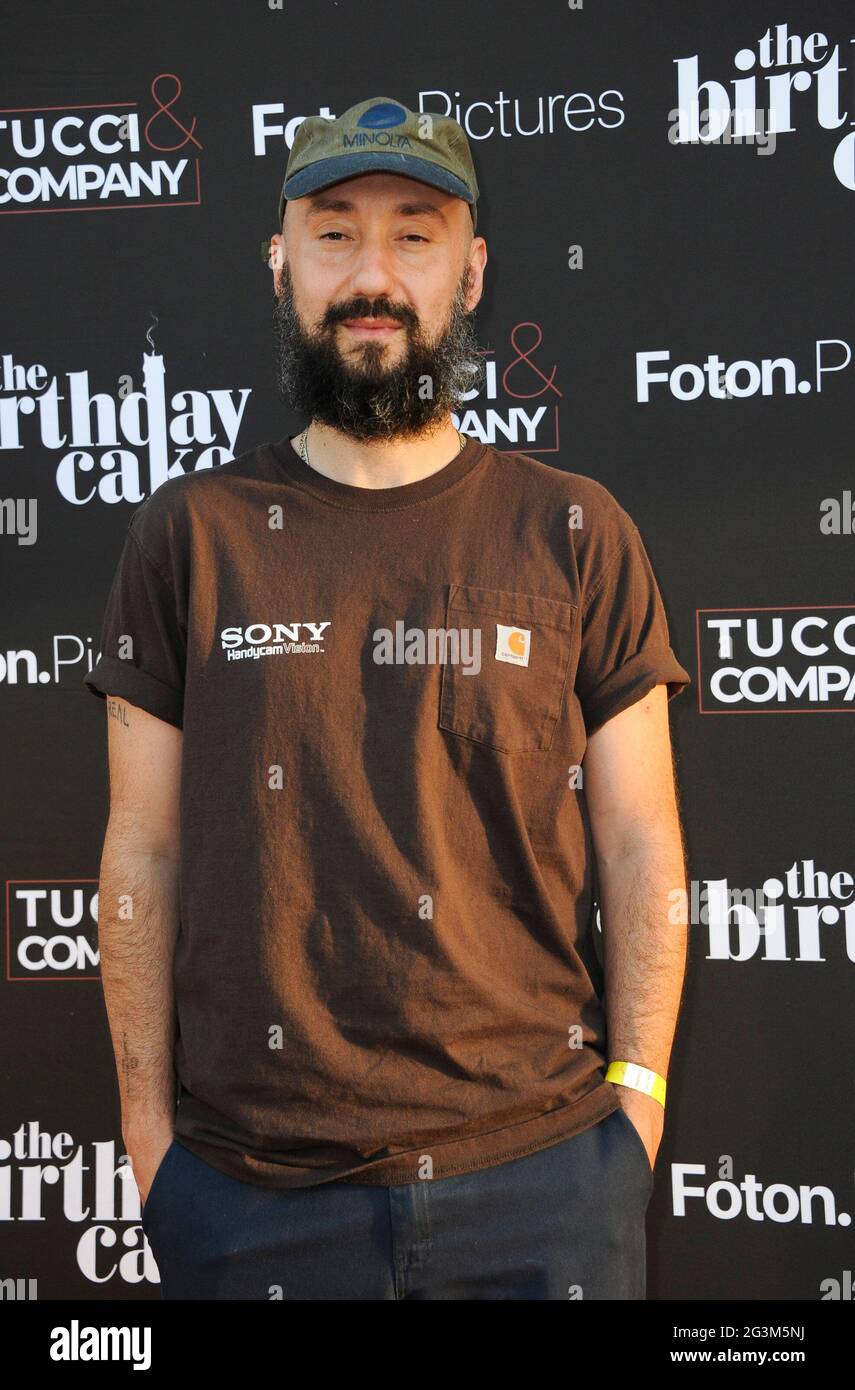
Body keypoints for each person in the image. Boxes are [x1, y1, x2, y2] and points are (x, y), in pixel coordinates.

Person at [84, 95, 691, 1301]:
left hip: (545, 1185)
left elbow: (640, 839)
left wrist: (638, 1108)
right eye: (333, 234)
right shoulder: (189, 539)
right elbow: (140, 851)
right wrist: (151, 1146)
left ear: (471, 271)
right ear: (280, 265)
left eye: (414, 236)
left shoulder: (576, 530)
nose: (374, 275)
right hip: (248, 1198)